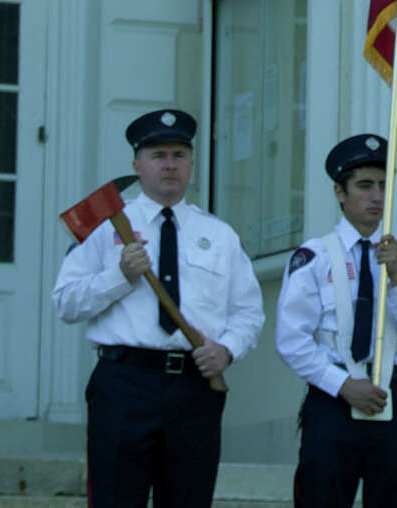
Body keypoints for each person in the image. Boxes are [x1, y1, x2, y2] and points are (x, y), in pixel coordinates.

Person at [53, 108, 265, 507]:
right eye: (158, 156)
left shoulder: (219, 236)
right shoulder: (106, 226)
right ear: (137, 165)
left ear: (191, 163)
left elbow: (248, 311)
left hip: (194, 388)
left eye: (179, 155)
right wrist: (118, 275)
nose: (170, 165)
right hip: (123, 383)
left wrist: (227, 349)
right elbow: (66, 302)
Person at [275, 133, 397, 508]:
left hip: (392, 395)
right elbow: (291, 339)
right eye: (364, 186)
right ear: (340, 192)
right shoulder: (314, 257)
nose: (377, 196)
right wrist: (343, 384)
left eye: (383, 186)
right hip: (333, 397)